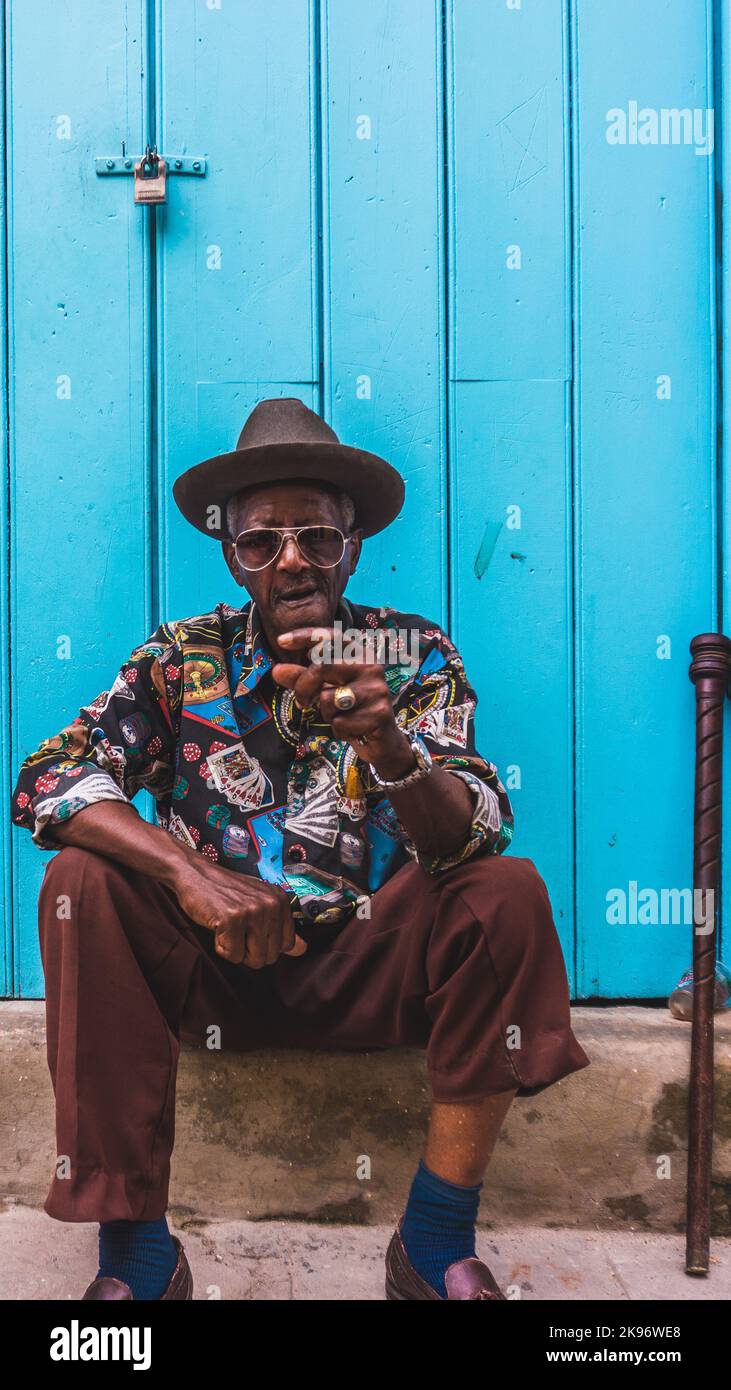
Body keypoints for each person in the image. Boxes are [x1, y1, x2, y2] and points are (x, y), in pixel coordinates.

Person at [12, 397, 590, 1301]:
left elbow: (478, 819)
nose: (290, 560)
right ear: (231, 553)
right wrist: (192, 876)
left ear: (352, 542)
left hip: (373, 970)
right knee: (79, 879)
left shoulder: (410, 652)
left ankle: (434, 1244)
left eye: (316, 537)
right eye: (261, 541)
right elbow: (50, 776)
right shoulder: (178, 659)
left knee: (504, 888)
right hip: (217, 974)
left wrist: (391, 748)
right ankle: (138, 1257)